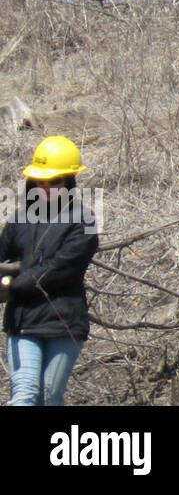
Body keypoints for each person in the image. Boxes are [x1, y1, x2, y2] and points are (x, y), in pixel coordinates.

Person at [0, 136, 98, 406]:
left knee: (48, 398)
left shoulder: (83, 222)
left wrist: (12, 287)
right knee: (25, 394)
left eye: (54, 182)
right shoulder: (20, 219)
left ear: (69, 182)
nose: (46, 189)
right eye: (41, 182)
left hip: (64, 323)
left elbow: (59, 270)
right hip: (24, 323)